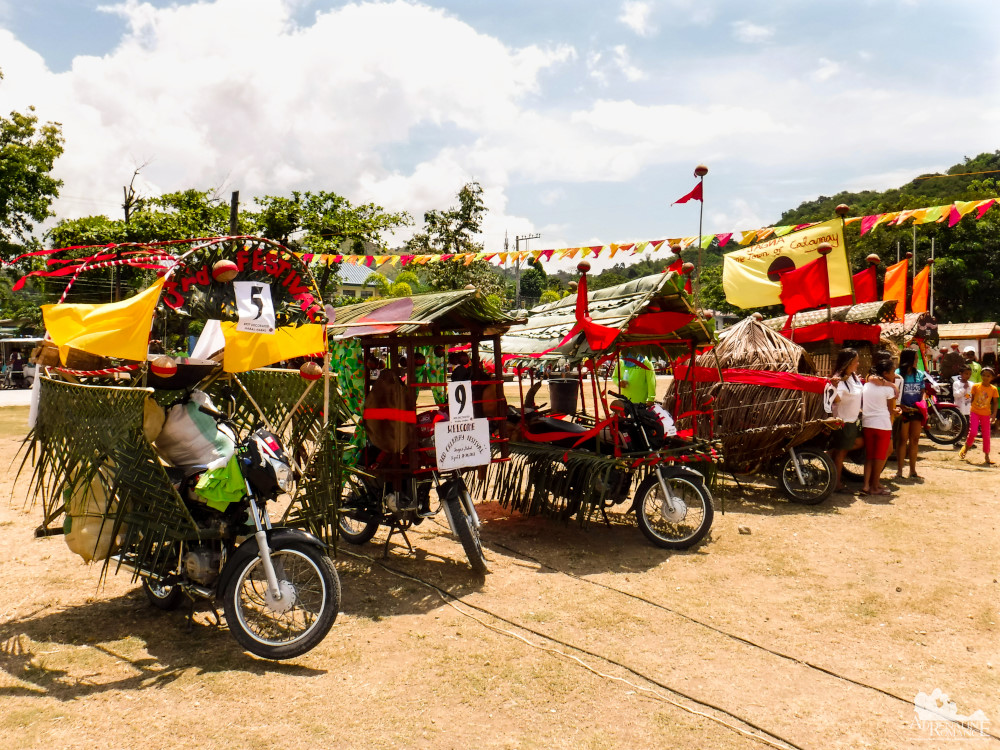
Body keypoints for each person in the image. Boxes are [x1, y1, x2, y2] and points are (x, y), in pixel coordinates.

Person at [828, 348, 864, 493]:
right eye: (855, 361)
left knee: (850, 447)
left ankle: (830, 455)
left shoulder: (852, 377)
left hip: (853, 420)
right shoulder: (840, 380)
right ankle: (836, 484)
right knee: (841, 453)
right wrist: (834, 387)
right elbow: (836, 400)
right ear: (848, 363)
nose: (858, 364)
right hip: (844, 421)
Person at [861, 359, 898, 496]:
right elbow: (890, 410)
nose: (894, 374)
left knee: (870, 456)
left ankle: (866, 485)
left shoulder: (866, 385)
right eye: (892, 371)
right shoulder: (888, 389)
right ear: (885, 373)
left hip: (867, 423)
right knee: (879, 457)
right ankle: (875, 486)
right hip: (882, 424)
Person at [895, 349, 928, 480]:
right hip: (903, 411)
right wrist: (901, 406)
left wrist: (923, 401)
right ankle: (899, 471)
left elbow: (923, 391)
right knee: (902, 440)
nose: (916, 361)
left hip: (916, 411)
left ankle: (913, 470)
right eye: (914, 359)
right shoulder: (897, 375)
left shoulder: (919, 374)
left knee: (915, 440)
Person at [959, 366, 998, 464]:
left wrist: (994, 414)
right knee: (973, 432)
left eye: (988, 376)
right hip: (975, 412)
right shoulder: (976, 386)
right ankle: (966, 448)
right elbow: (972, 399)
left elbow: (995, 403)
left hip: (986, 414)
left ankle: (987, 456)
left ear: (992, 378)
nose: (985, 377)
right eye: (984, 375)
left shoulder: (994, 389)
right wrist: (973, 408)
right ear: (981, 376)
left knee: (986, 435)